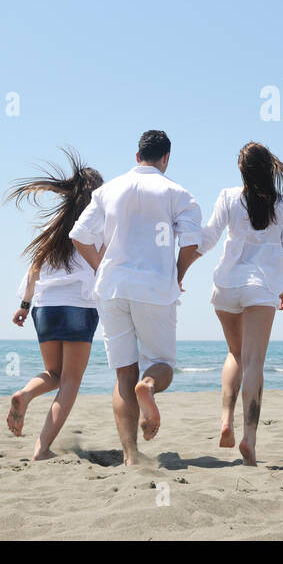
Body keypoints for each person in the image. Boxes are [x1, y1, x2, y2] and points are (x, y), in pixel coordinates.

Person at [68, 130, 203, 465]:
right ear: (166, 158)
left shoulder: (107, 190)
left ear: (137, 155)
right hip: (155, 288)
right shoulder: (178, 193)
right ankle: (149, 387)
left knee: (123, 374)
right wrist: (178, 273)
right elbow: (192, 244)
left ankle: (130, 456)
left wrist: (102, 269)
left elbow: (79, 236)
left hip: (113, 289)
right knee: (163, 366)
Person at [196, 142, 283, 466]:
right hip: (262, 287)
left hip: (227, 285)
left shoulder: (228, 197)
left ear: (241, 171)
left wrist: (181, 257)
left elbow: (209, 236)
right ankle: (250, 439)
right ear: (269, 168)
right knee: (254, 363)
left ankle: (225, 419)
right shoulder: (282, 205)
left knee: (234, 354)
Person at [4, 148, 104, 460]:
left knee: (55, 373)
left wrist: (24, 304)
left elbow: (34, 269)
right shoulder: (98, 228)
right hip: (79, 307)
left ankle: (26, 393)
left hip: (44, 308)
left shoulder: (53, 231)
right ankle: (42, 448)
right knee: (71, 381)